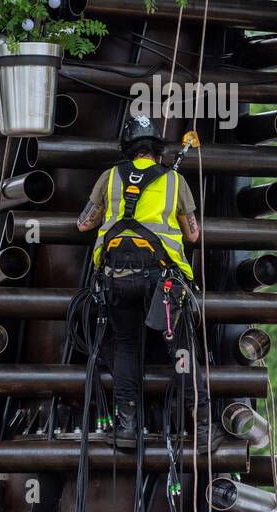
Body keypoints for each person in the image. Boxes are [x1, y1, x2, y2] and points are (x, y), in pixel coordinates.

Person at [76, 115, 216, 451]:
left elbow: (84, 224)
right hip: (162, 280)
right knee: (180, 349)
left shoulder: (109, 178)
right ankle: (203, 428)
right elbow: (193, 234)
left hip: (116, 278)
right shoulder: (173, 181)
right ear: (157, 149)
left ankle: (127, 427)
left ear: (128, 149)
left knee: (126, 347)